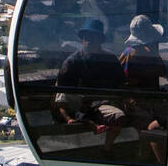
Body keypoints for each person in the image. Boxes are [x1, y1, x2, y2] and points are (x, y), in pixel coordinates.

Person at [53, 19, 127, 153]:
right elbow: (62, 93)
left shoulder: (110, 59)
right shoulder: (72, 62)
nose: (89, 40)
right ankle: (107, 150)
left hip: (111, 101)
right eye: (86, 37)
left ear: (100, 39)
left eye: (93, 37)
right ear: (82, 39)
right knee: (118, 116)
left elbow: (121, 83)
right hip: (88, 106)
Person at [118, 14, 168, 163]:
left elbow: (163, 71)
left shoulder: (143, 53)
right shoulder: (130, 55)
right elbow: (121, 82)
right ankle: (159, 163)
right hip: (136, 103)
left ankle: (143, 160)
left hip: (150, 101)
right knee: (153, 130)